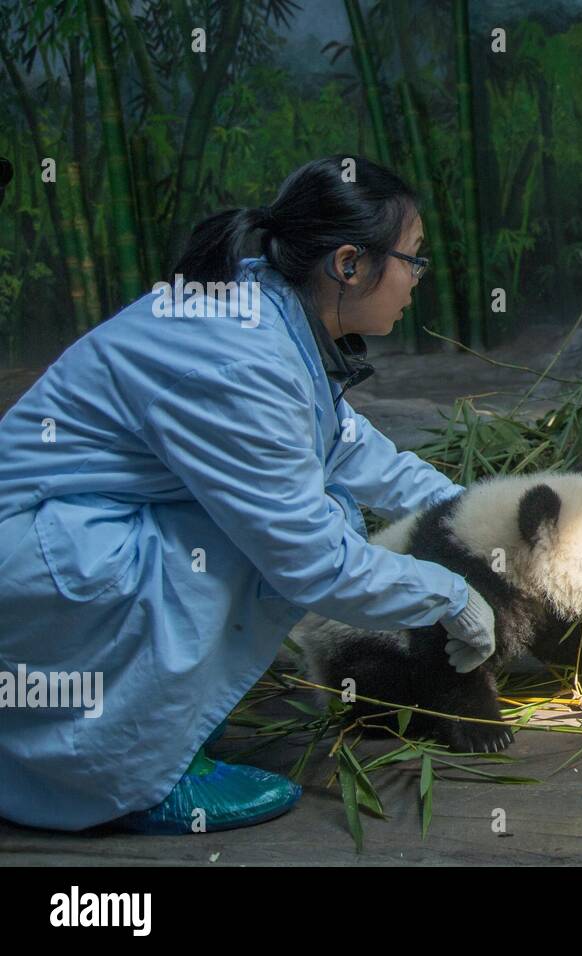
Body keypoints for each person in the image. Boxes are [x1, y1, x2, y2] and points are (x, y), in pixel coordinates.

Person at [0, 156, 497, 833]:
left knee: (305, 511)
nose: (418, 278)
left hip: (76, 524)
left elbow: (346, 445)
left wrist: (478, 518)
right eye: (414, 259)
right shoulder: (245, 358)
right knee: (254, 542)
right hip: (35, 558)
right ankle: (134, 778)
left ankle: (156, 730)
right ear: (349, 264)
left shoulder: (271, 311)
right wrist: (453, 593)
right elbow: (311, 561)